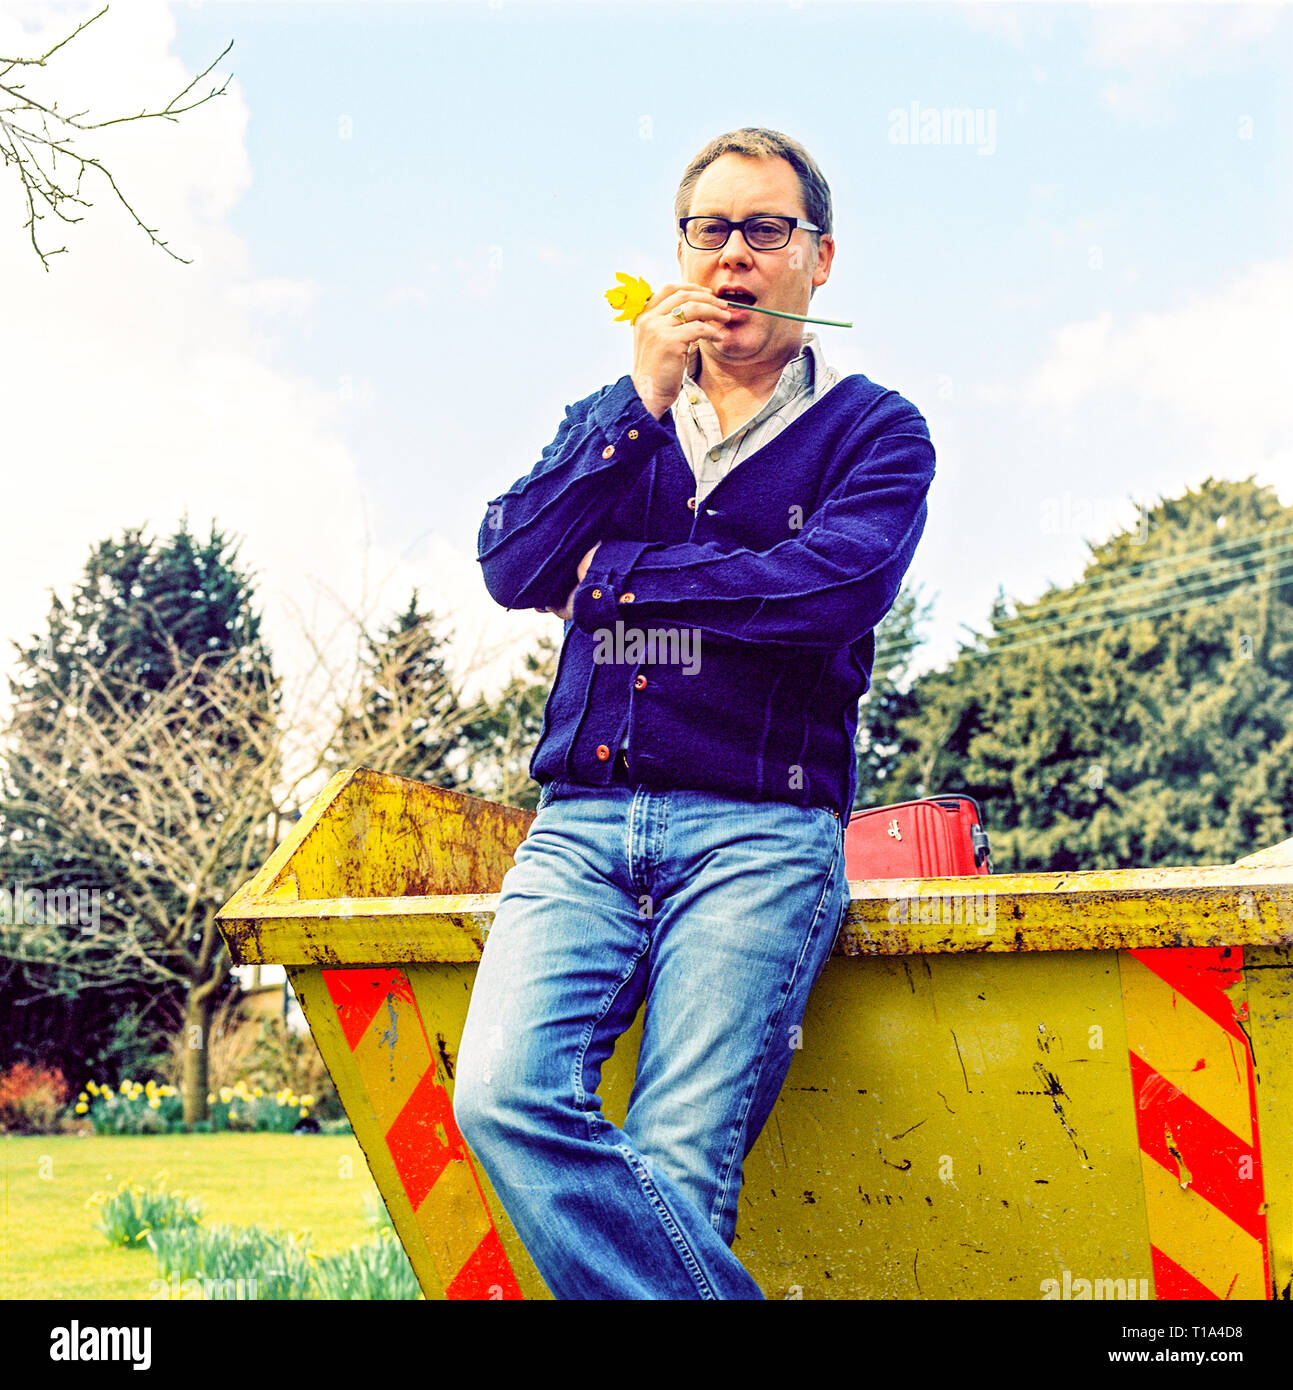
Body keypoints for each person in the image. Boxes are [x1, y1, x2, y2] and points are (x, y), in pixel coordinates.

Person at [454, 127, 936, 1299]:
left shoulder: (876, 429)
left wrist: (614, 582)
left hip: (760, 833)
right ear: (679, 253)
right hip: (580, 826)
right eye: (708, 231)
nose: (734, 257)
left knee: (674, 1170)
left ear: (819, 260)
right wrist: (636, 399)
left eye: (766, 230)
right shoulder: (621, 421)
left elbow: (830, 590)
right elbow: (513, 561)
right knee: (502, 1096)